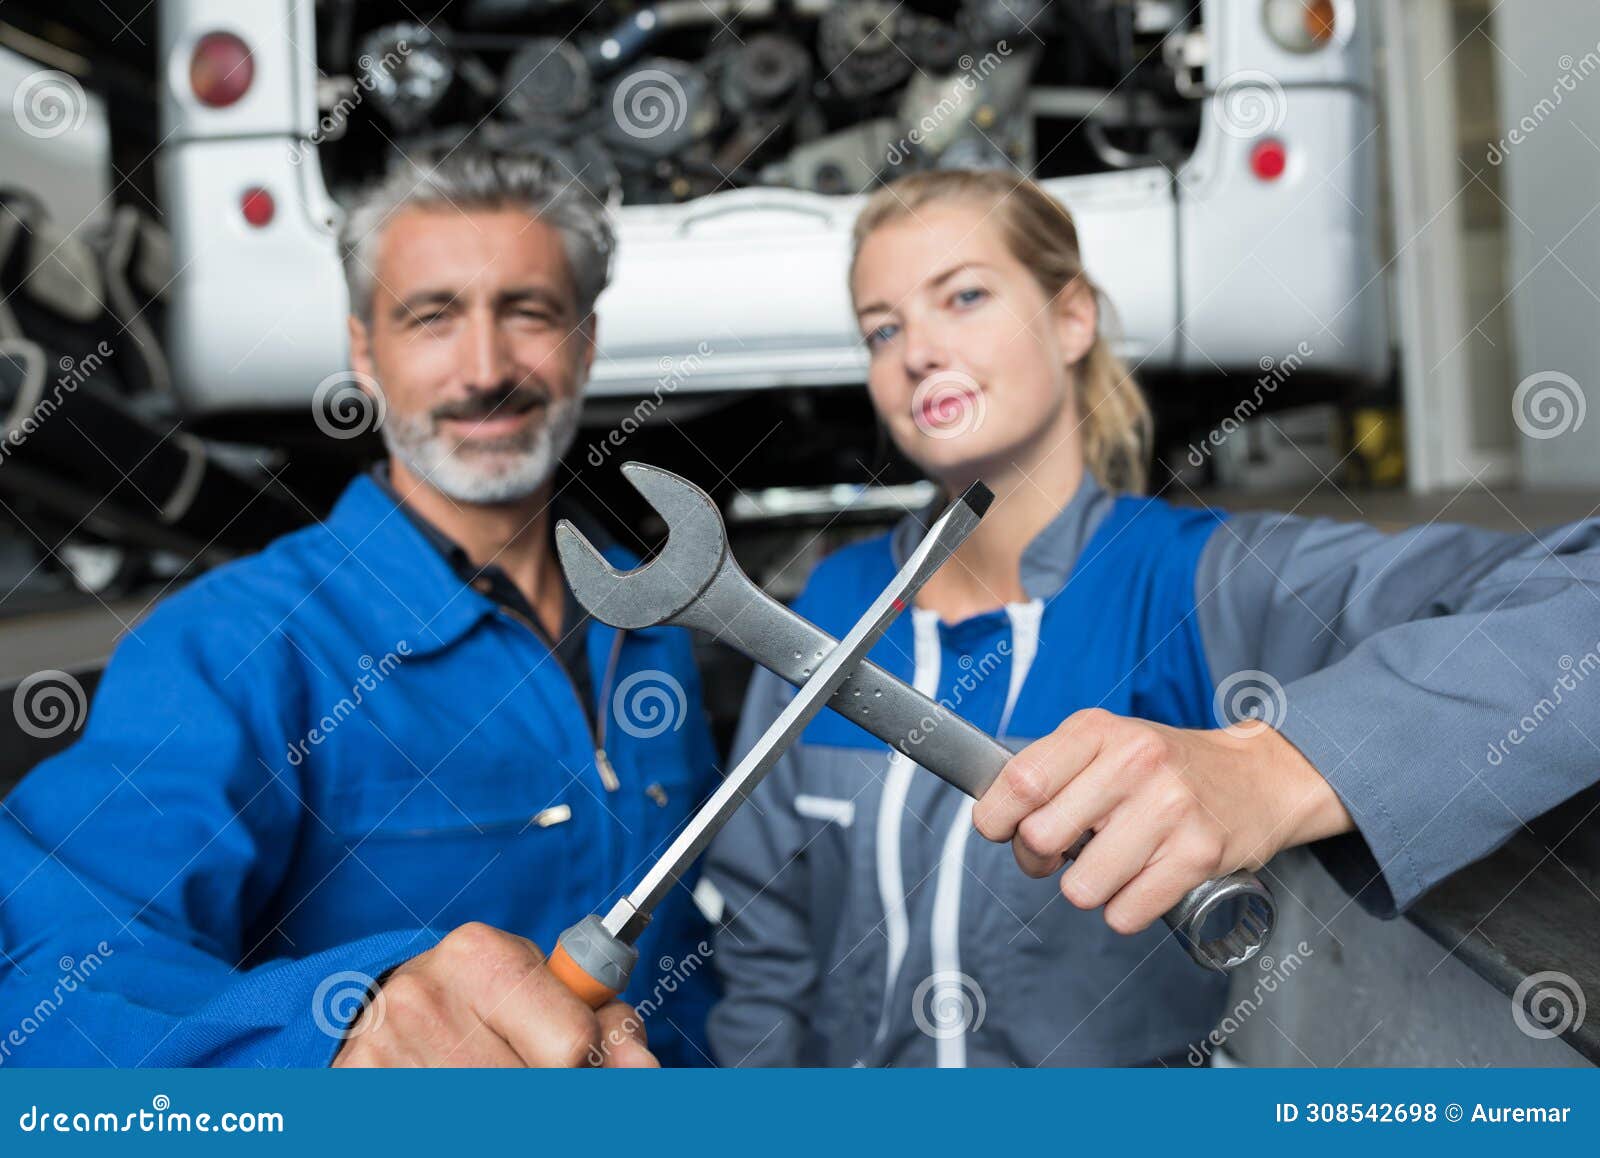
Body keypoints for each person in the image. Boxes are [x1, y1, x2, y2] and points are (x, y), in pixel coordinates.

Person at [702, 169, 1600, 1067]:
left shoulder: (1199, 579)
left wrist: (1280, 765)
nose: (917, 350)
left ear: (1072, 318)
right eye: (882, 329)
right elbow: (764, 940)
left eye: (965, 296)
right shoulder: (832, 603)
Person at [0, 149, 718, 1067]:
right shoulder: (232, 647)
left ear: (584, 342)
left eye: (528, 312)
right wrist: (331, 1041)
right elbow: (55, 987)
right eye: (432, 317)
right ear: (362, 352)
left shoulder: (656, 628)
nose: (487, 366)